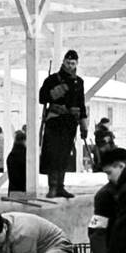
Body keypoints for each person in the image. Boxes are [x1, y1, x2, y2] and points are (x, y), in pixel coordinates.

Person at [38, 49, 88, 198]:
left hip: (70, 123)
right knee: (53, 154)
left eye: (73, 63)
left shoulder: (79, 82)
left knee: (64, 155)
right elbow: (42, 98)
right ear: (63, 62)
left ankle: (60, 186)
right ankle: (52, 187)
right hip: (55, 121)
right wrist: (52, 93)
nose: (70, 65)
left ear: (76, 64)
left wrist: (84, 125)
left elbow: (81, 104)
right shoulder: (52, 79)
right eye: (68, 62)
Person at [6, 129, 27, 196]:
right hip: (23, 191)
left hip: (12, 191)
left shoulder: (11, 154)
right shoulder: (25, 154)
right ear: (24, 140)